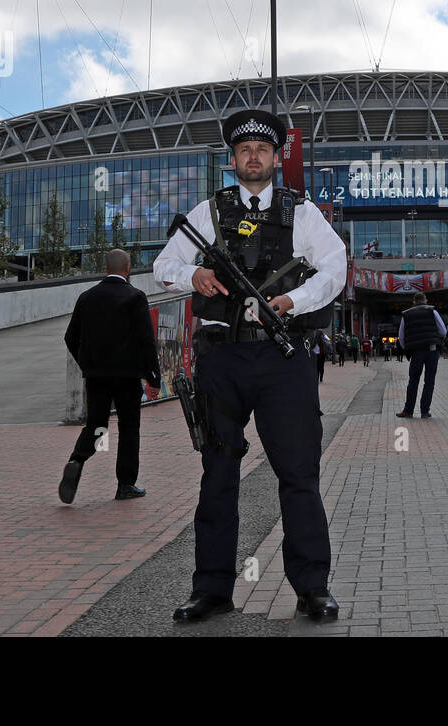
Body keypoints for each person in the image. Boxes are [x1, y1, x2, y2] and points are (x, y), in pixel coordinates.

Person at [153, 109, 345, 622]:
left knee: (298, 473)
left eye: (263, 149)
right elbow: (162, 264)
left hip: (283, 357)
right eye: (244, 150)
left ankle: (311, 587)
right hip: (223, 357)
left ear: (277, 157)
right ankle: (212, 589)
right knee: (217, 473)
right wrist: (192, 274)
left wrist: (294, 301)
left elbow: (335, 266)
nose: (253, 156)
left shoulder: (302, 214)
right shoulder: (206, 213)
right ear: (233, 159)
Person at [59, 248, 161, 504]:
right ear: (127, 269)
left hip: (97, 376)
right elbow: (146, 341)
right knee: (129, 428)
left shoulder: (87, 297)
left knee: (97, 425)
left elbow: (70, 337)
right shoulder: (135, 297)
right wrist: (154, 377)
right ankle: (125, 485)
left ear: (106, 269)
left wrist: (87, 364)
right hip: (127, 376)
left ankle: (77, 459)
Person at [397, 293, 447, 419]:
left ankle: (408, 411)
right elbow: (443, 331)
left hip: (416, 352)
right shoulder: (432, 311)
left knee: (413, 381)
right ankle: (425, 411)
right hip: (432, 350)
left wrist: (406, 348)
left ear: (413, 301)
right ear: (425, 300)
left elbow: (401, 336)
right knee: (429, 381)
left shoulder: (406, 314)